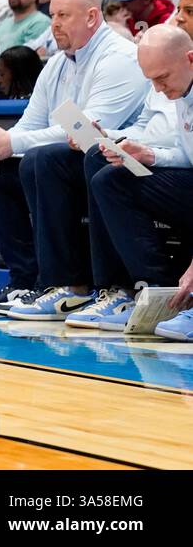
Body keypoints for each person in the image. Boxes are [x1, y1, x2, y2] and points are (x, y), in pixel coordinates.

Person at [0, 0, 148, 316]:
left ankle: (69, 285)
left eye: (63, 16)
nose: (55, 25)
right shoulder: (57, 64)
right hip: (65, 165)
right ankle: (27, 279)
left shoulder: (120, 58)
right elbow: (32, 121)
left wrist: (15, 143)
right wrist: (1, 142)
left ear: (92, 17)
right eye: (52, 16)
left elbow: (88, 130)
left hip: (116, 166)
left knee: (44, 159)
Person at [61, 24, 191, 332]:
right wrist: (150, 155)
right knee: (110, 179)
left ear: (190, 59)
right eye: (152, 81)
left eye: (162, 78)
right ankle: (153, 292)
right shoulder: (182, 92)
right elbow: (189, 157)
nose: (158, 89)